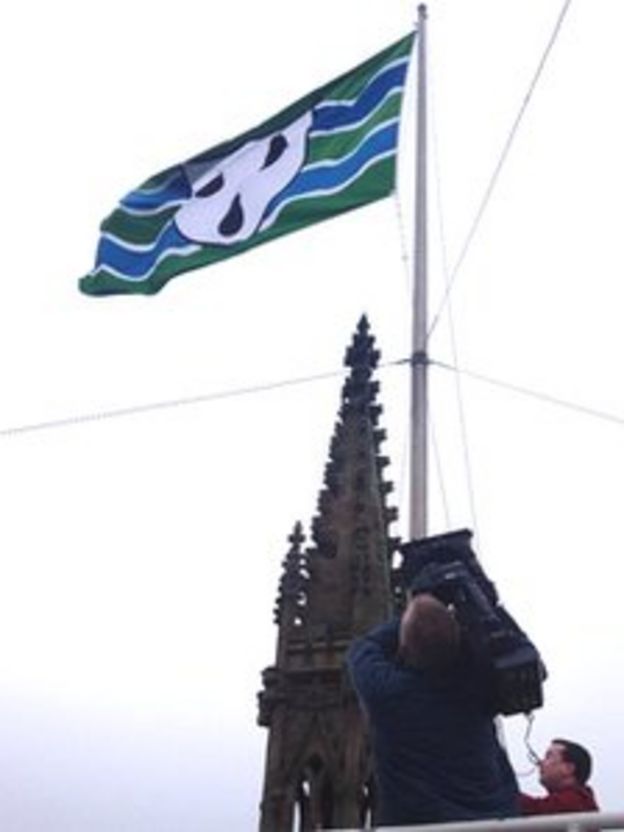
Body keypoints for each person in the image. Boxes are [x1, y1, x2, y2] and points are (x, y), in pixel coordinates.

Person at [346, 593, 519, 827]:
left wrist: (415, 609)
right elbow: (519, 653)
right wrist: (469, 600)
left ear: (404, 646)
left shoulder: (387, 693)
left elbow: (364, 647)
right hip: (494, 823)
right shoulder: (481, 686)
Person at [520, 739, 599, 814]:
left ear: (568, 768)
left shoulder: (576, 801)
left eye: (548, 757)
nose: (540, 763)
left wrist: (508, 790)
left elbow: (534, 808)